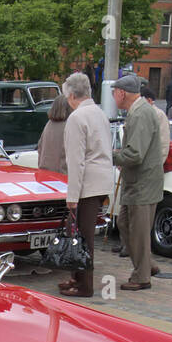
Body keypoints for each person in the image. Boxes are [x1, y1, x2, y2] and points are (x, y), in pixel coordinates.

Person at [58, 72, 113, 298]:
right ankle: (77, 277)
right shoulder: (100, 113)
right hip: (101, 180)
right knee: (79, 231)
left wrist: (72, 196)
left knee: (82, 235)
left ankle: (85, 285)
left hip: (87, 183)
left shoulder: (77, 118)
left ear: (72, 95)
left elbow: (76, 160)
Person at [111, 73, 166, 291]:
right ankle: (146, 264)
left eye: (114, 93)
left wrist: (112, 156)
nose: (113, 97)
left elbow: (135, 154)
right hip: (138, 182)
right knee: (125, 224)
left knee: (138, 230)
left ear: (122, 93)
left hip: (142, 183)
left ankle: (142, 276)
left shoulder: (140, 113)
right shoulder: (139, 111)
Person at [37, 95, 71, 174]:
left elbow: (40, 147)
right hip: (61, 174)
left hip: (44, 171)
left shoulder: (49, 124)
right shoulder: (68, 125)